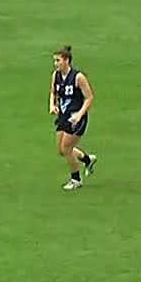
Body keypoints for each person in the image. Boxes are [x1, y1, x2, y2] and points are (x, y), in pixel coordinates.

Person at [49, 45, 97, 190]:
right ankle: (87, 160)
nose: (56, 64)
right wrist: (52, 105)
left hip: (77, 118)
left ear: (67, 60)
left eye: (58, 60)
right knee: (61, 150)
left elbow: (89, 97)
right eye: (55, 61)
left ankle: (76, 179)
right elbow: (53, 92)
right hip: (63, 116)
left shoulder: (78, 77)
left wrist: (79, 115)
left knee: (66, 148)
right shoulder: (56, 76)